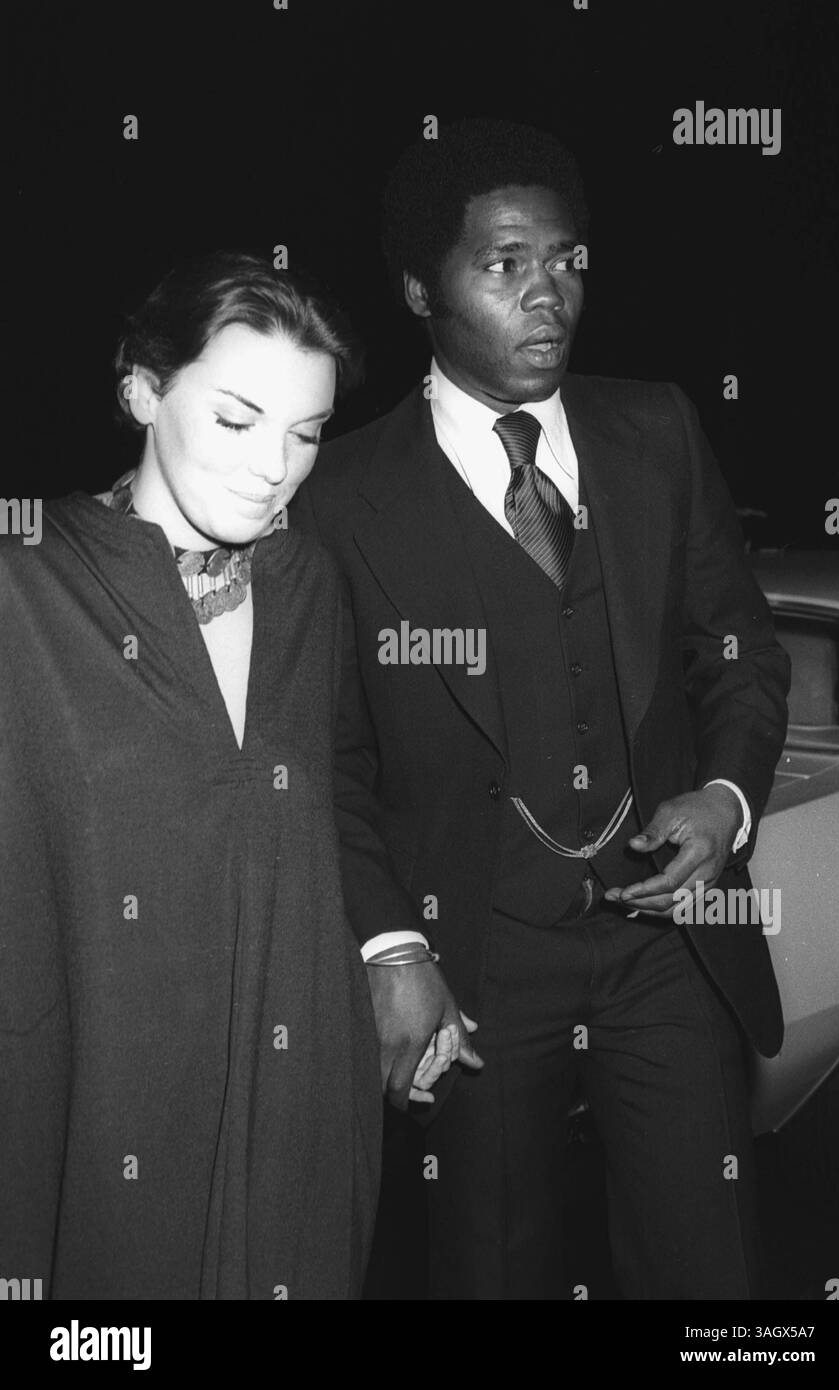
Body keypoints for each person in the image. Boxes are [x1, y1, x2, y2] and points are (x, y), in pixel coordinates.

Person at [291, 120, 791, 1300]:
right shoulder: (338, 496)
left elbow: (740, 649)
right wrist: (388, 945)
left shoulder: (654, 429)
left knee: (712, 1275)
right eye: (504, 264)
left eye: (566, 259)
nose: (547, 294)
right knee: (490, 1270)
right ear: (422, 287)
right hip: (476, 961)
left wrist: (725, 801)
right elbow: (328, 760)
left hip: (667, 946)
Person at [0, 251, 381, 1299]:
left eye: (307, 434)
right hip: (101, 1105)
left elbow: (334, 804)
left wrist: (393, 958)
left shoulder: (308, 588)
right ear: (141, 390)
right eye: (236, 418)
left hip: (295, 1095)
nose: (276, 465)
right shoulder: (25, 584)